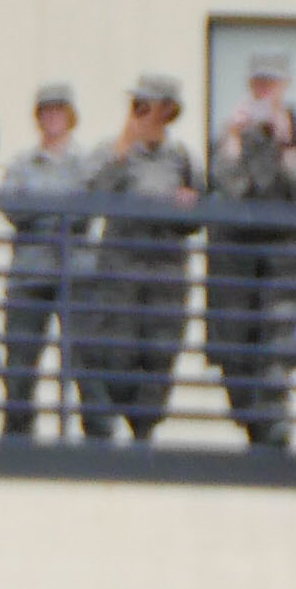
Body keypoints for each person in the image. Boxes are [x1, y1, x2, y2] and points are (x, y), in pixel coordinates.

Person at [204, 48, 296, 447]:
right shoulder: (229, 131)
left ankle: (274, 426)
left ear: (285, 87)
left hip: (283, 255)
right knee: (233, 346)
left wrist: (286, 143)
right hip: (236, 253)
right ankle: (252, 422)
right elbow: (228, 189)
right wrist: (233, 142)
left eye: (272, 83)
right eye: (258, 83)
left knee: (276, 340)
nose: (264, 91)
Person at [77, 72, 196, 440]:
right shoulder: (114, 149)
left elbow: (199, 211)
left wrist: (189, 207)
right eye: (136, 104)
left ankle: (144, 430)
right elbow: (89, 193)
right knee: (117, 351)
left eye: (148, 104)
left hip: (166, 270)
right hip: (121, 267)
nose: (139, 111)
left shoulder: (182, 158)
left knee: (161, 354)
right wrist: (122, 148)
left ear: (167, 110)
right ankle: (118, 420)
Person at [0, 82, 86, 435]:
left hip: (75, 273)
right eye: (46, 110)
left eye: (59, 109)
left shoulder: (86, 162)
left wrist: (44, 211)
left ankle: (93, 441)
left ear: (70, 116)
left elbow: (86, 210)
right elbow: (12, 208)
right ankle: (18, 438)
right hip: (29, 274)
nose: (52, 117)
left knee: (83, 363)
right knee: (19, 364)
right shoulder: (21, 163)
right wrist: (59, 212)